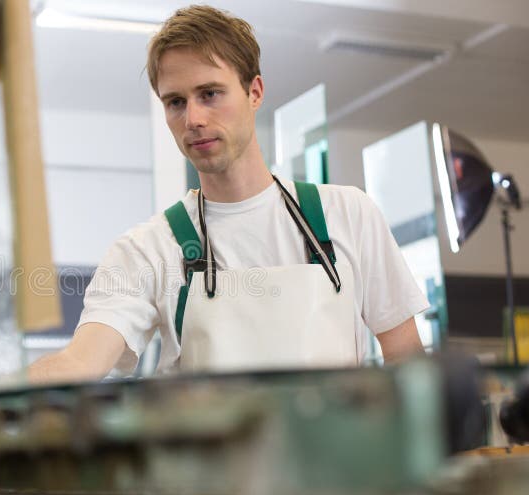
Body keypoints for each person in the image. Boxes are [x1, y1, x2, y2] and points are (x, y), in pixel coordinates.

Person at [29, 5, 428, 383]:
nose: (193, 119)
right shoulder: (148, 249)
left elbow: (406, 359)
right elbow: (81, 362)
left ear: (254, 92)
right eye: (175, 102)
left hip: (336, 455)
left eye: (210, 93)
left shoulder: (347, 213)